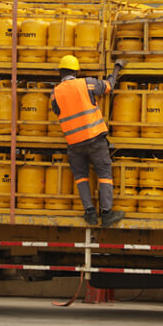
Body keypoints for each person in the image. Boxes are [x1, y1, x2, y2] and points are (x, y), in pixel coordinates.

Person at [51, 55, 127, 226]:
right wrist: (116, 68)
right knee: (104, 174)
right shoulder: (86, 83)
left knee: (81, 176)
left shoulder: (54, 93)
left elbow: (57, 111)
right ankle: (106, 214)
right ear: (76, 71)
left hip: (74, 143)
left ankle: (90, 213)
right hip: (94, 139)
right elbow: (108, 87)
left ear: (60, 73)